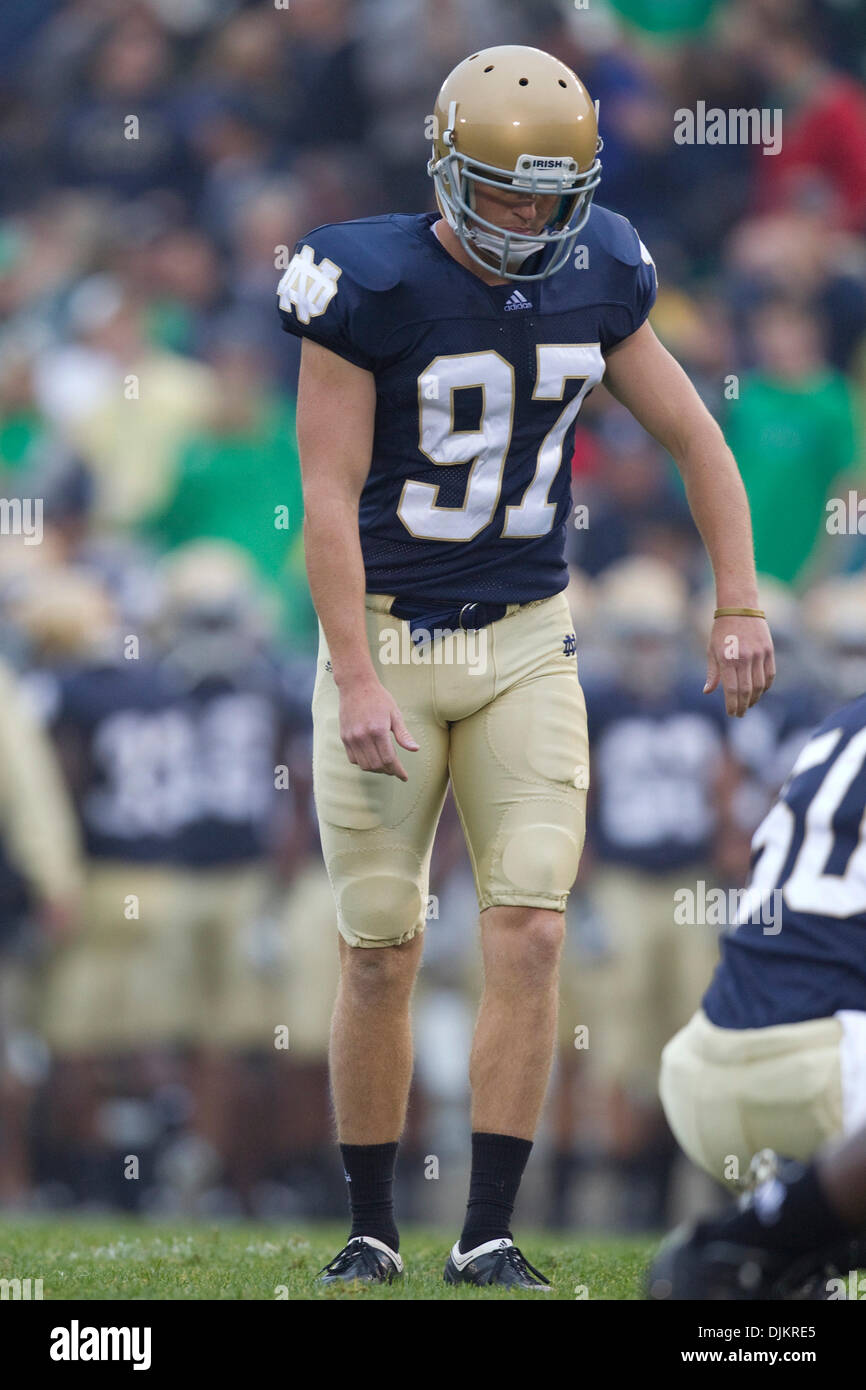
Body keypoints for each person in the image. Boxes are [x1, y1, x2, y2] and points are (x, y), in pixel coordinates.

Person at [278, 43, 775, 1290]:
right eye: (502, 191)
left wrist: (736, 598)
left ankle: (489, 1230)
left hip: (524, 640)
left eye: (550, 193)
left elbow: (693, 439)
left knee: (532, 934)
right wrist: (355, 675)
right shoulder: (362, 279)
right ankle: (370, 1228)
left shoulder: (602, 264)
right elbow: (326, 502)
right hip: (387, 631)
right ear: (444, 170)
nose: (528, 216)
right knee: (381, 945)